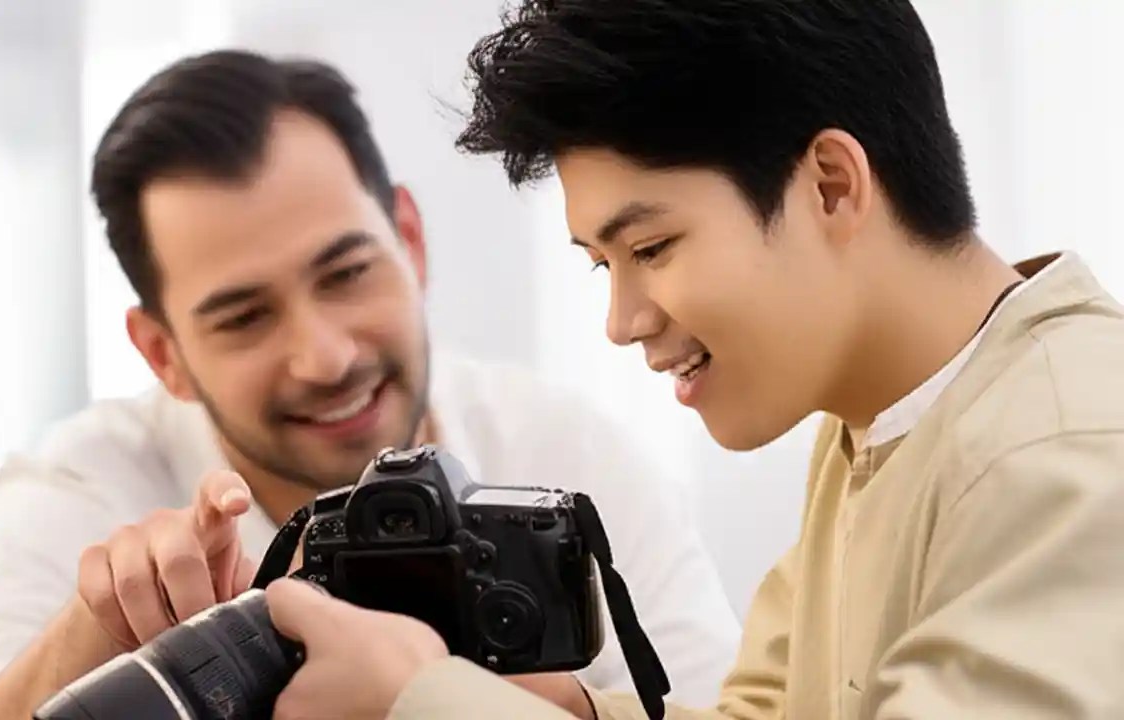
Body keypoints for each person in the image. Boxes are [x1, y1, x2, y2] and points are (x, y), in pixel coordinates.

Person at [249, 1, 1124, 718]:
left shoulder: (1068, 450)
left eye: (652, 247)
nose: (622, 322)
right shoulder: (884, 423)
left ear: (830, 184)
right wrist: (571, 710)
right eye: (605, 265)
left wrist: (428, 701)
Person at [0, 50, 742, 719]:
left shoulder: (568, 454)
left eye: (346, 274)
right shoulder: (71, 509)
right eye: (245, 318)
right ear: (162, 355)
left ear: (409, 240)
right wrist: (94, 646)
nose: (325, 357)